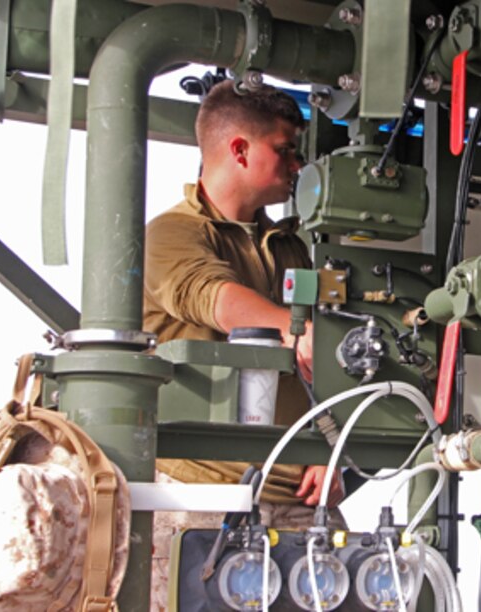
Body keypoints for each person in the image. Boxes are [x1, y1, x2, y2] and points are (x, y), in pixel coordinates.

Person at [143, 80, 344, 610]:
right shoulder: (171, 234)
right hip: (204, 491)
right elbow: (212, 296)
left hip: (300, 492)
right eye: (285, 150)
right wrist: (289, 324)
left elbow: (320, 363)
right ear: (239, 149)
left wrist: (332, 445)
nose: (297, 165)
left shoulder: (292, 245)